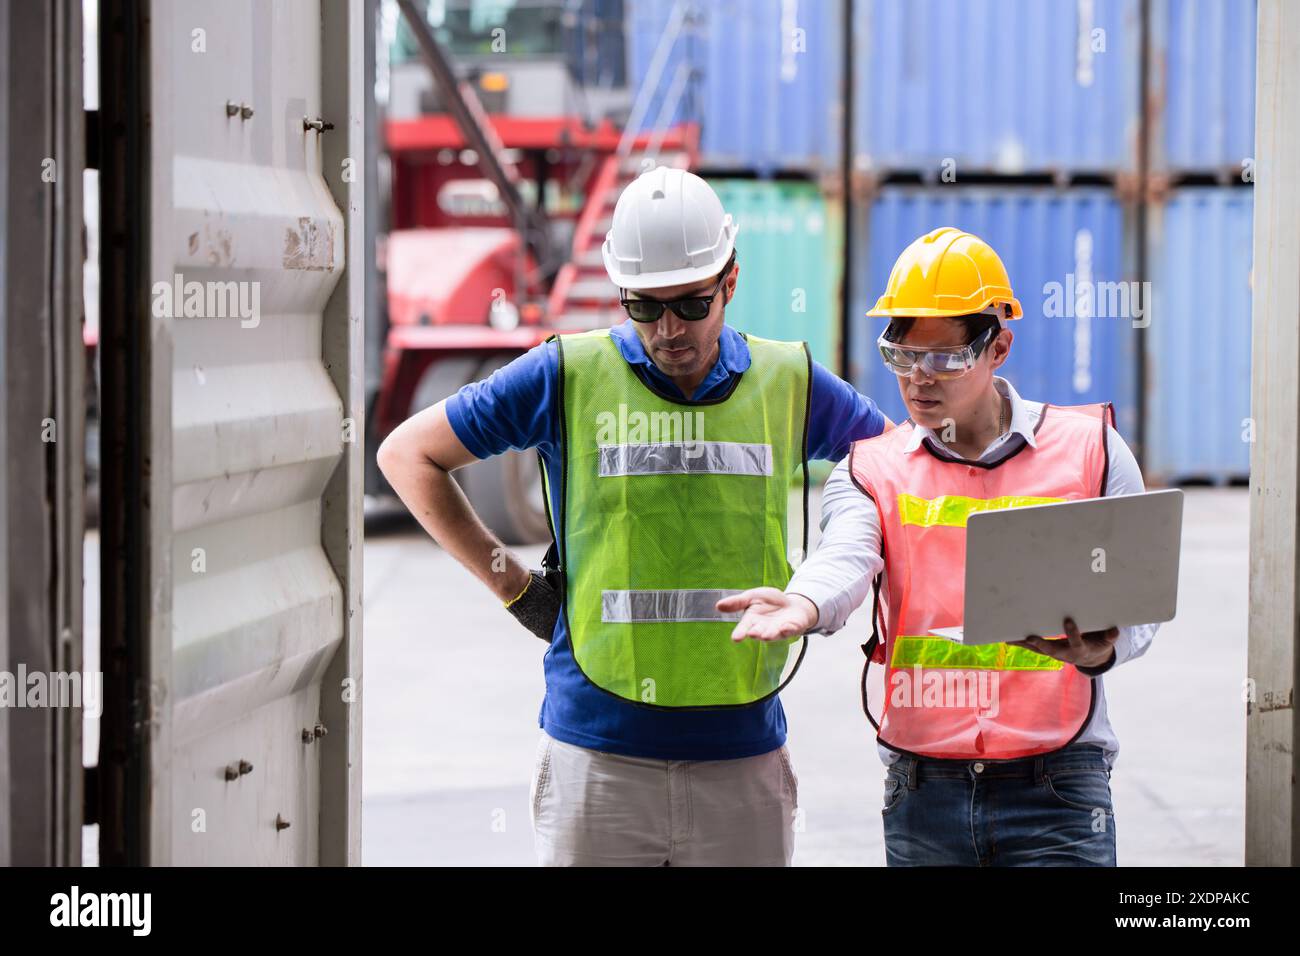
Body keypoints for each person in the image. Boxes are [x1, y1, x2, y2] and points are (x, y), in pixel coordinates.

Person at [377, 166, 889, 866]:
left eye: (690, 303)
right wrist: (515, 588)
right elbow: (407, 456)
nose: (668, 329)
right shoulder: (565, 374)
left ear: (730, 283)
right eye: (644, 307)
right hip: (597, 754)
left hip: (739, 755)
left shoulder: (789, 382)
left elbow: (895, 473)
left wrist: (822, 589)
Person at [722, 226, 1157, 866]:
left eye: (946, 358)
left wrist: (1104, 647)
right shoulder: (869, 468)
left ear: (998, 347)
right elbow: (846, 552)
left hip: (1059, 788)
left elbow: (1140, 606)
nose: (920, 379)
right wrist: (806, 602)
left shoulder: (1091, 451)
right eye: (902, 356)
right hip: (924, 795)